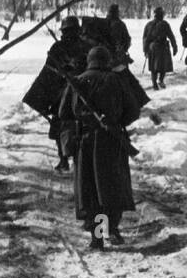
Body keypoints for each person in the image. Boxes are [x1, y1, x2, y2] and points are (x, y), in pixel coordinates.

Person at [57, 45, 145, 249]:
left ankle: (97, 237)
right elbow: (133, 111)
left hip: (85, 142)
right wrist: (116, 122)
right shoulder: (117, 80)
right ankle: (111, 229)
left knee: (90, 190)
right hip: (112, 141)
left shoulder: (77, 81)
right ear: (106, 61)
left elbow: (63, 113)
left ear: (89, 61)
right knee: (111, 187)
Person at [22, 16, 93, 171]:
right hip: (67, 93)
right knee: (63, 125)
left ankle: (67, 159)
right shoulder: (71, 47)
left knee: (64, 125)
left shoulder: (80, 47)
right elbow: (49, 71)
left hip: (69, 93)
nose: (67, 34)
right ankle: (67, 159)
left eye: (68, 31)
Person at [142, 6, 178, 89]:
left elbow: (145, 38)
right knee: (163, 66)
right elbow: (171, 36)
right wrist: (174, 46)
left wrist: (145, 49)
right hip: (162, 48)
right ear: (161, 15)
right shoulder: (164, 24)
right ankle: (160, 80)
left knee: (153, 67)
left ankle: (155, 83)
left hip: (152, 48)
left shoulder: (149, 24)